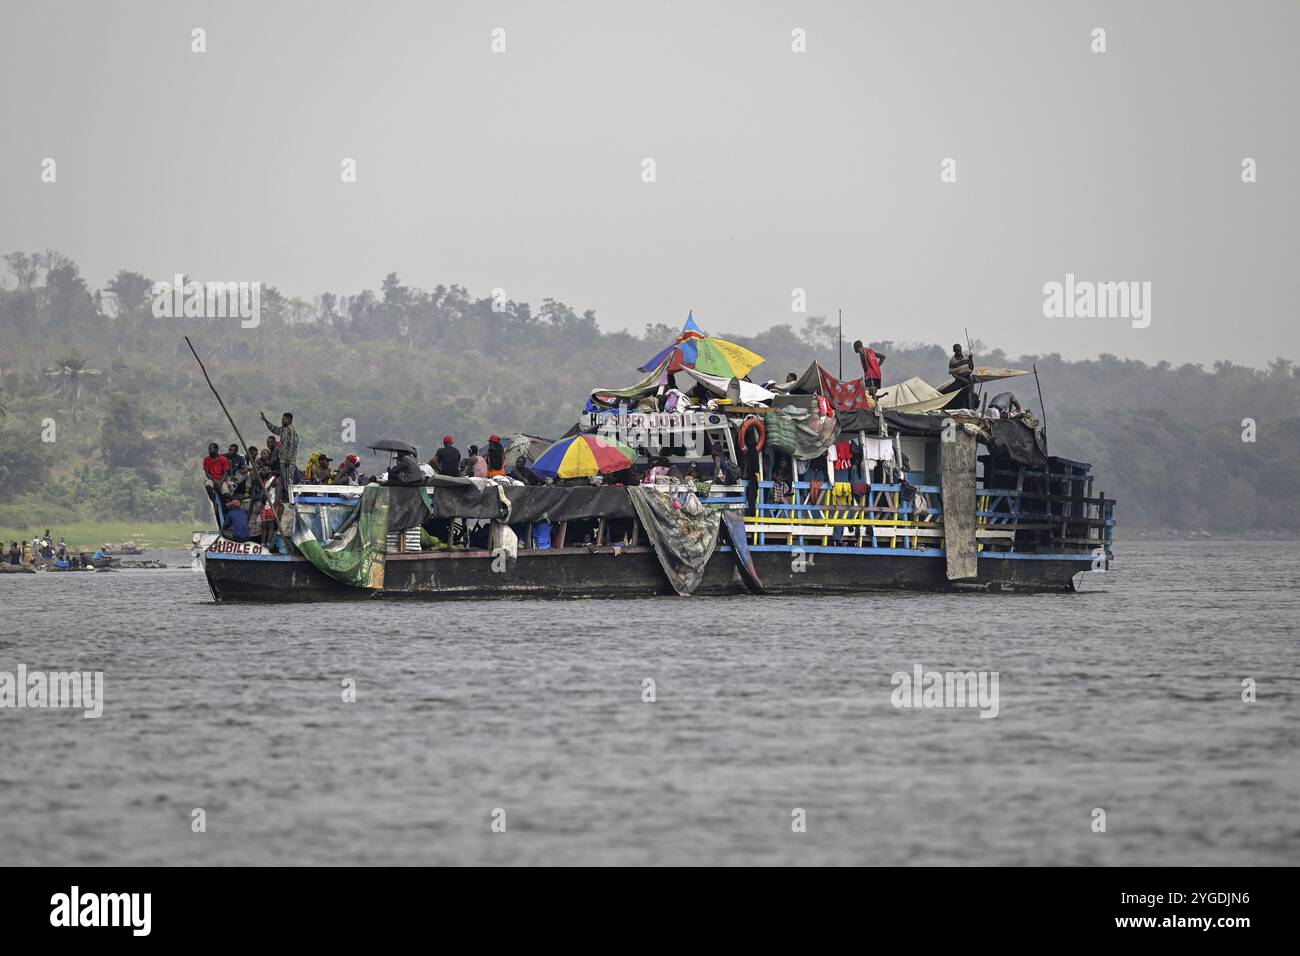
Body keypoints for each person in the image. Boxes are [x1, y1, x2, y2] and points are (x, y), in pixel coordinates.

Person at [261, 411, 299, 498]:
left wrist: (288, 458)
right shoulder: (283, 430)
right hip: (283, 459)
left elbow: (292, 445)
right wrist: (266, 421)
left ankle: (290, 496)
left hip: (287, 460)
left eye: (283, 419)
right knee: (284, 478)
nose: (282, 421)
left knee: (288, 479)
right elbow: (274, 429)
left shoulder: (291, 431)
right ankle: (287, 495)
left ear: (289, 420)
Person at [948, 344, 975, 409]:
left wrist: (971, 360)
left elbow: (971, 368)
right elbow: (953, 374)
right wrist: (962, 379)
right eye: (957, 351)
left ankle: (970, 407)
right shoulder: (952, 361)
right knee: (961, 395)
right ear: (954, 351)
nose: (959, 352)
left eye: (960, 350)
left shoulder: (966, 356)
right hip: (959, 380)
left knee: (970, 393)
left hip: (968, 378)